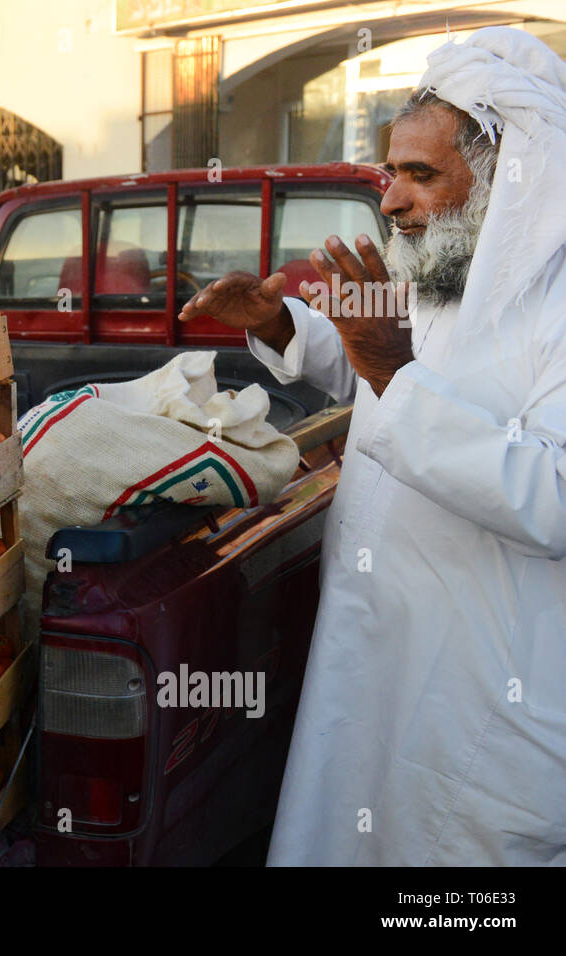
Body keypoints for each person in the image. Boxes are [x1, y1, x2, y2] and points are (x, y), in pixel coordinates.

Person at [178, 27, 566, 865]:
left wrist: (392, 368)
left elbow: (553, 497)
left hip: (484, 690)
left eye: (420, 175)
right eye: (392, 172)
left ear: (512, 181)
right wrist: (282, 323)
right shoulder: (449, 273)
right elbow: (386, 383)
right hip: (380, 654)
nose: (389, 199)